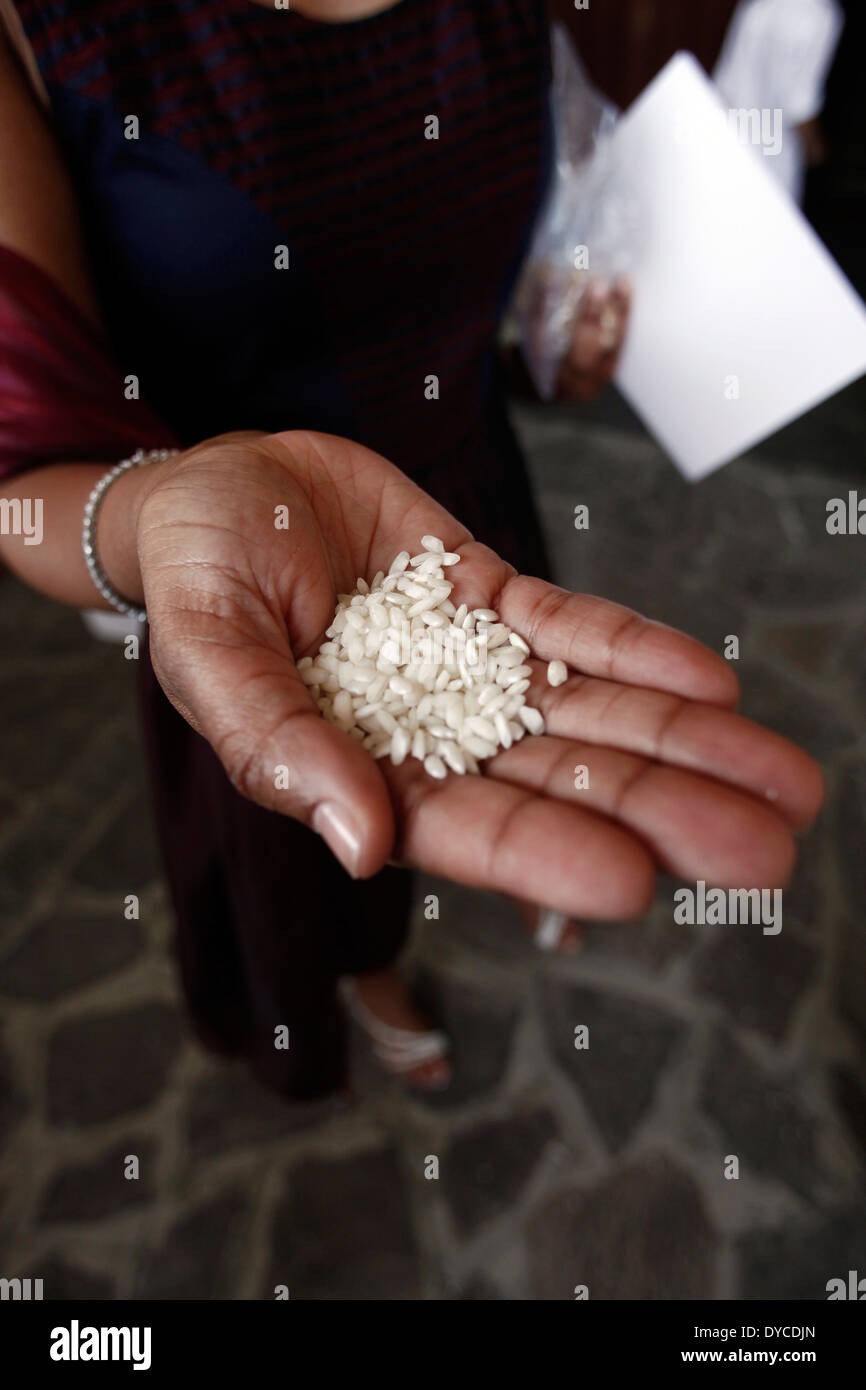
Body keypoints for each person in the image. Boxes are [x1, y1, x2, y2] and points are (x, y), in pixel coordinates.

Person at [0, 0, 823, 1097]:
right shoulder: (43, 33)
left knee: (522, 736)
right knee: (323, 844)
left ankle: (509, 879)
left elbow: (495, 278)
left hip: (457, 531)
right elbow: (22, 478)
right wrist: (164, 518)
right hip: (253, 577)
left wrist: (550, 346)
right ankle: (367, 970)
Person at [713, 0, 844, 203]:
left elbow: (726, 78)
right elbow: (800, 105)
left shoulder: (760, 5)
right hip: (772, 156)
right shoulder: (819, 14)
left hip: (728, 136)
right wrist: (816, 150)